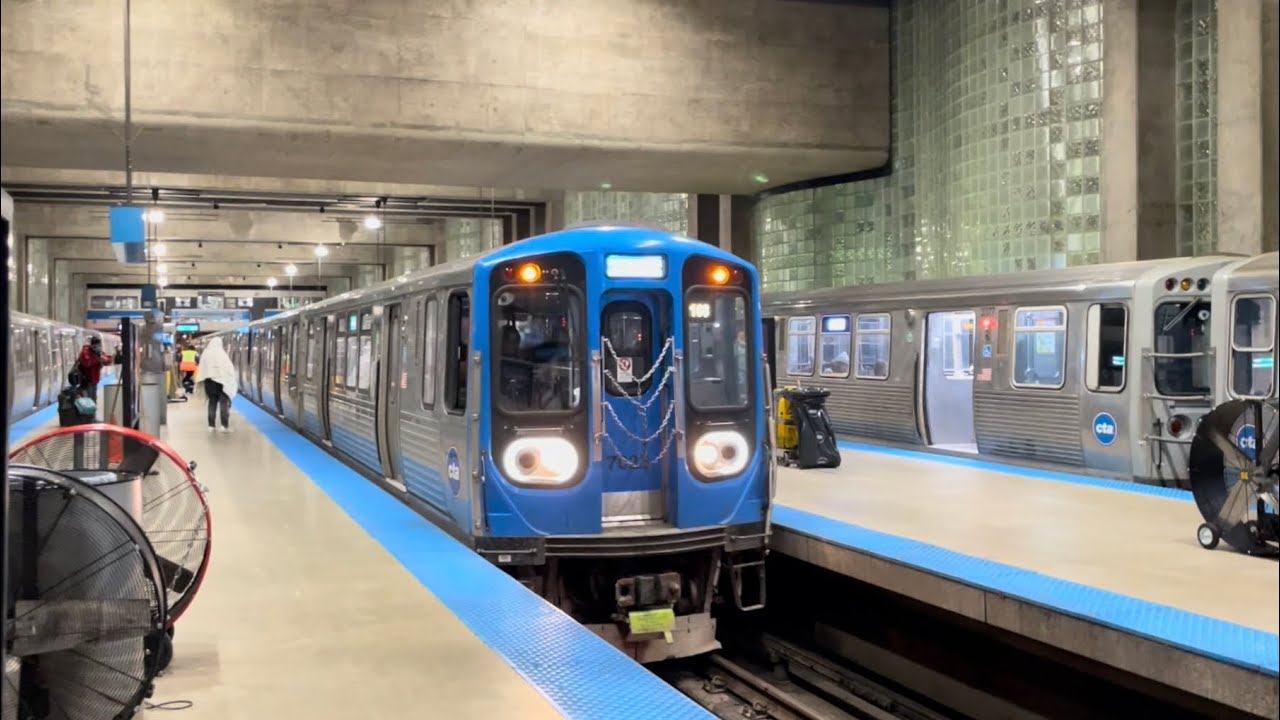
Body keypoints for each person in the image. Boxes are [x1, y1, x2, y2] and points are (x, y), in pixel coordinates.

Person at [196, 338, 238, 432]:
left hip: (209, 382)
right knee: (223, 403)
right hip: (221, 382)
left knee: (212, 403)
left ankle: (211, 426)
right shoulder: (222, 354)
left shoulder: (206, 353)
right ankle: (224, 426)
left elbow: (201, 367)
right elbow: (228, 369)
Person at [75, 336, 110, 403]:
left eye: (99, 345)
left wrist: (102, 357)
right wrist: (98, 359)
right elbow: (87, 363)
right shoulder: (86, 352)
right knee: (89, 401)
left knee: (93, 399)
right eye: (96, 345)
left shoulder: (98, 352)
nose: (98, 347)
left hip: (94, 380)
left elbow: (108, 360)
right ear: (92, 345)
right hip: (86, 381)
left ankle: (93, 409)